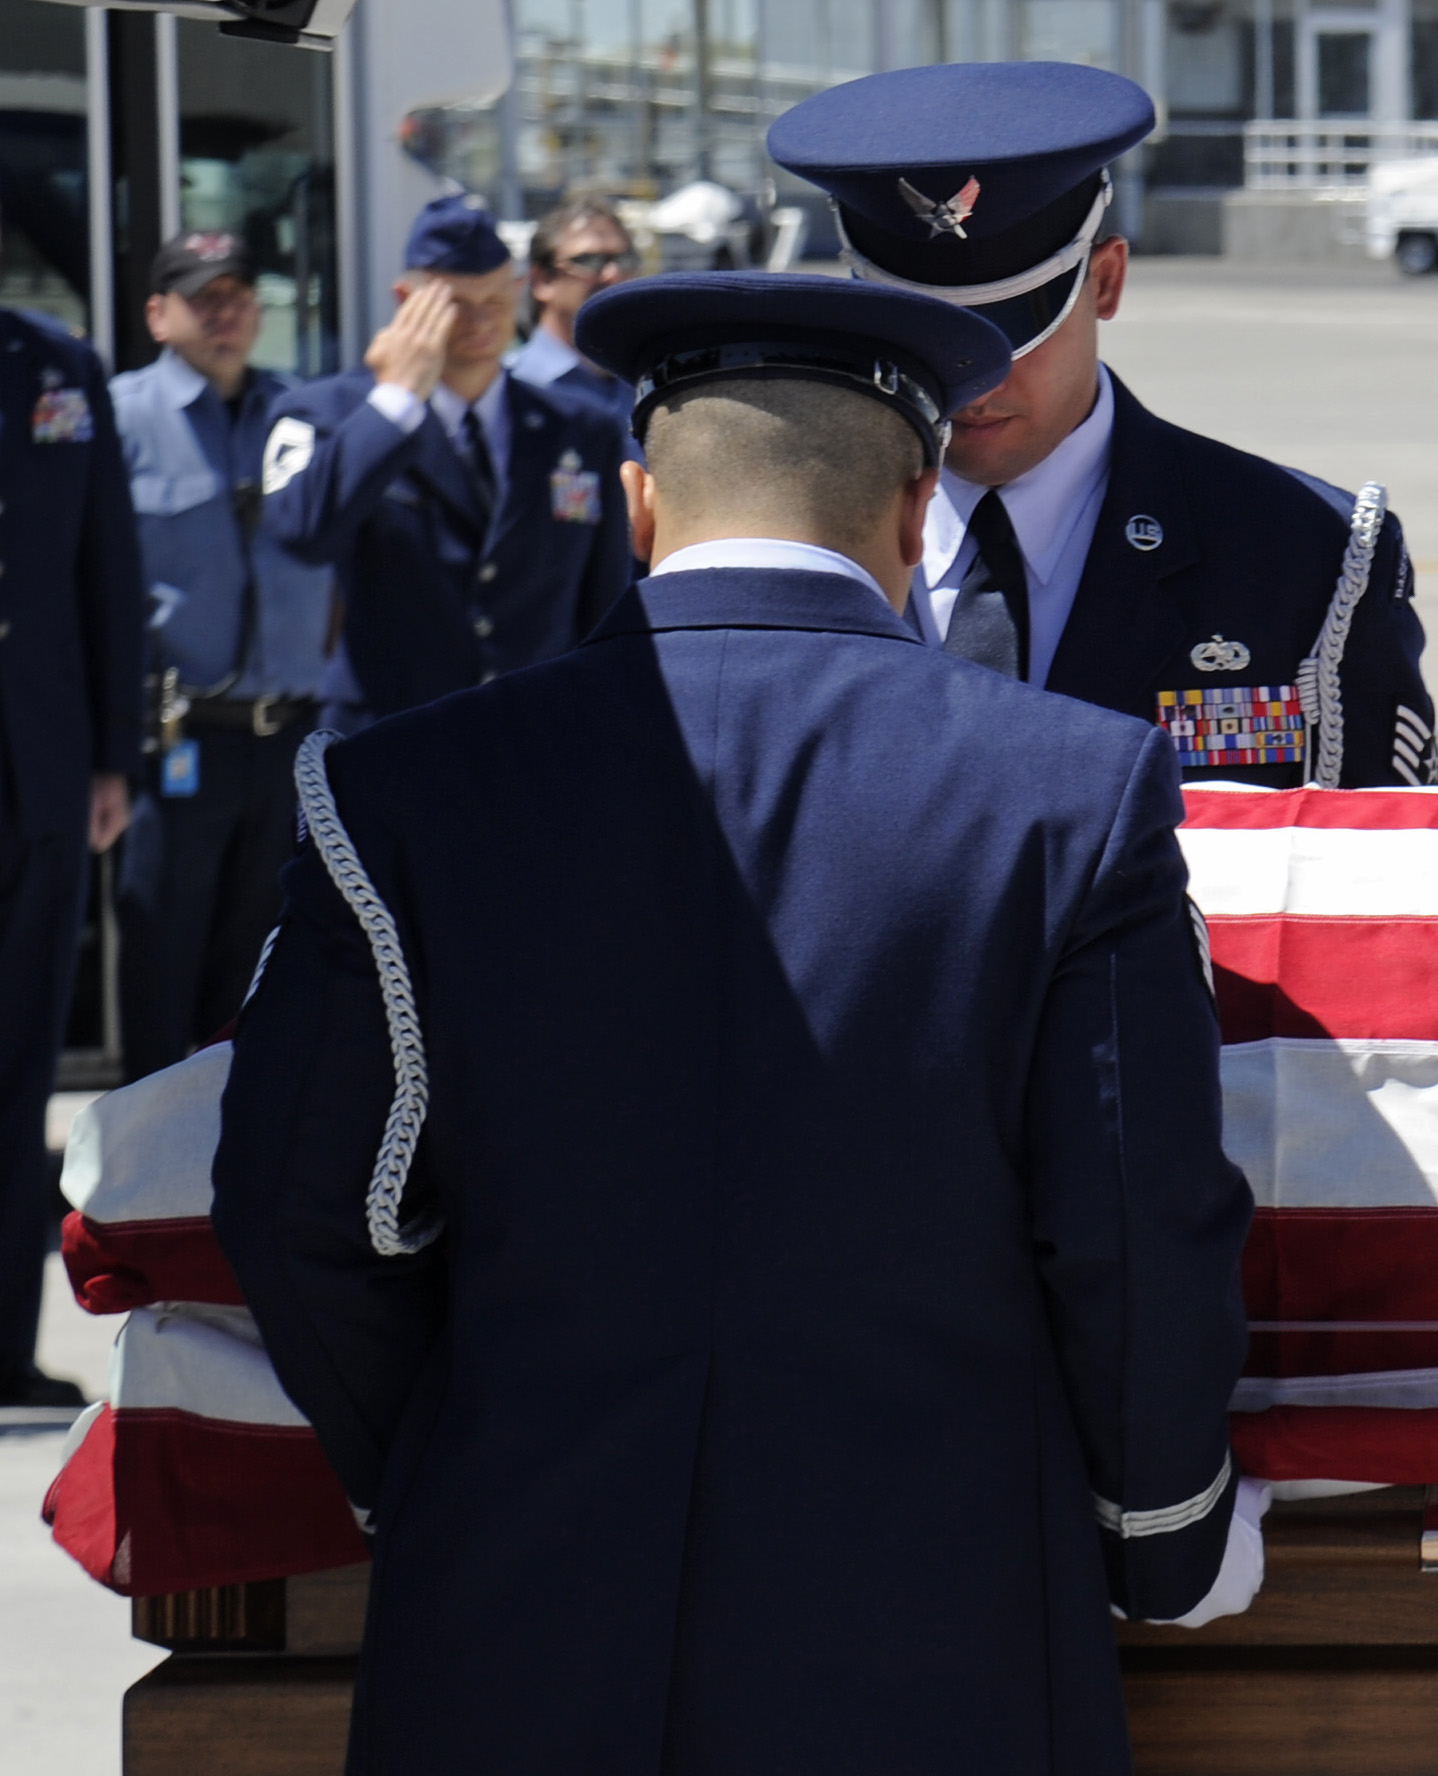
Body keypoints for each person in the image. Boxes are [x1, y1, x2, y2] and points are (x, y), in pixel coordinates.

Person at [211, 271, 1260, 1771]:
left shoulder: (399, 791)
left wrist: (445, 1466)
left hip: (512, 1611)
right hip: (938, 1620)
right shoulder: (1071, 793)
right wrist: (1157, 1536)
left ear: (638, 503)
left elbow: (302, 1208)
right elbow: (1132, 1229)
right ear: (916, 511)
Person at [769, 61, 1438, 790]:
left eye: (1012, 332)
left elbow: (1384, 847)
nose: (974, 382)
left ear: (1108, 282)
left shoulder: (1302, 551)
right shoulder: (781, 545)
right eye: (925, 334)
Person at [264, 196, 637, 733]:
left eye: (495, 299)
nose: (480, 321)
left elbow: (602, 603)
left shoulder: (579, 428)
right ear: (406, 300)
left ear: (518, 289)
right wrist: (396, 401)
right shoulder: (335, 413)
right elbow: (301, 533)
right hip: (390, 738)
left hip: (535, 736)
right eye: (456, 303)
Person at [109, 230, 334, 1080]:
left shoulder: (302, 415)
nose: (225, 313)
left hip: (286, 743)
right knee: (160, 963)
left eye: (239, 295)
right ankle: (143, 1160)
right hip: (177, 742)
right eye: (203, 298)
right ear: (157, 315)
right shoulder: (121, 417)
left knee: (262, 970)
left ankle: (237, 1153)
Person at [0, 291, 142, 1410]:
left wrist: (111, 755)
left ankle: (2, 1346)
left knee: (18, 1077)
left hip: (35, 772)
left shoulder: (58, 366)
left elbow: (108, 564)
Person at [509, 193, 642, 416]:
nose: (613, 273)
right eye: (589, 260)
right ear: (543, 280)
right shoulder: (509, 391)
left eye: (625, 259)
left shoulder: (653, 385)